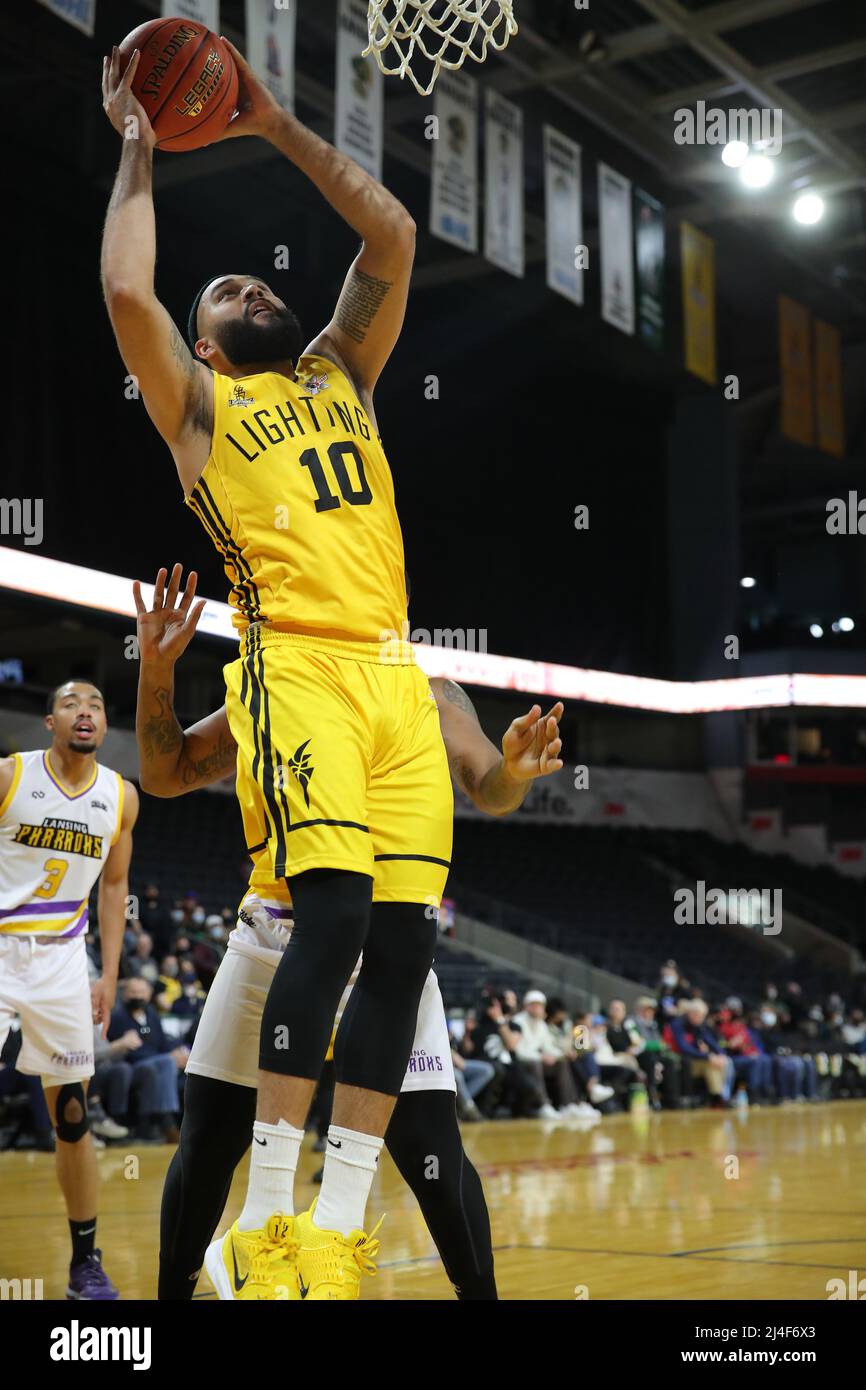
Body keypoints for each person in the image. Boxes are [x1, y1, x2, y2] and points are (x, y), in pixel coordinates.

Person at [101, 32, 468, 1298]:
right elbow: (127, 300)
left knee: (405, 940)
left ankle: (331, 1222)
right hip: (295, 664)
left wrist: (265, 121)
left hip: (393, 675)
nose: (250, 290)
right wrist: (141, 156)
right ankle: (263, 1217)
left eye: (257, 285)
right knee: (332, 917)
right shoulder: (201, 414)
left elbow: (391, 236)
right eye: (227, 298)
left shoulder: (340, 371)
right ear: (204, 349)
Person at [133, 566, 564, 1300]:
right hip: (277, 932)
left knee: (431, 1147)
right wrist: (157, 670)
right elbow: (166, 772)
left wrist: (516, 773)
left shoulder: (430, 692)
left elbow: (487, 783)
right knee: (209, 1140)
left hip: (386, 947)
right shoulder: (282, 682)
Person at [0, 680, 138, 1298]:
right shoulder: (8, 776)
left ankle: (85, 1263)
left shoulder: (121, 796)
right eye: (69, 704)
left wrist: (107, 974)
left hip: (63, 962)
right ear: (49, 723)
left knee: (75, 1118)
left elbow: (113, 888)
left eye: (97, 706)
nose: (85, 712)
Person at [107, 979, 188, 1142]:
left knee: (172, 1063)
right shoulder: (117, 1017)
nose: (137, 996)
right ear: (124, 994)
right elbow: (129, 1052)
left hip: (155, 1063)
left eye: (141, 992)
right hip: (131, 1065)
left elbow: (162, 1042)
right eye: (133, 992)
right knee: (166, 1062)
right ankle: (166, 1121)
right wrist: (167, 1057)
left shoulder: (152, 1014)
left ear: (149, 994)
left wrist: (176, 1051)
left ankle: (163, 1122)